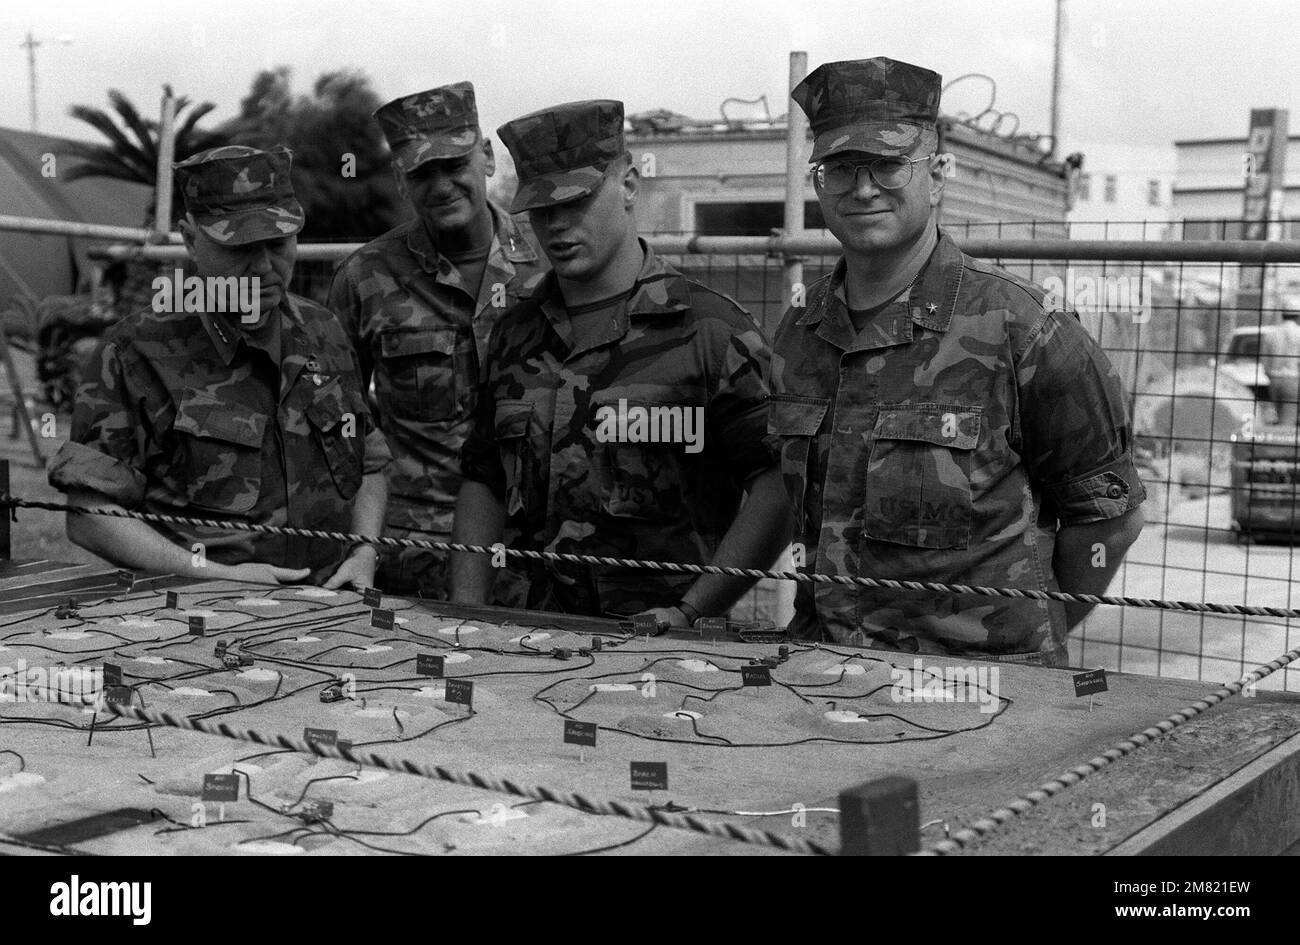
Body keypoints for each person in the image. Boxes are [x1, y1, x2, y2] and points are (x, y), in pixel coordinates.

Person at [770, 58, 1145, 664]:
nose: (863, 189)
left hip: (977, 695)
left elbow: (1109, 521)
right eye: (839, 168)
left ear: (938, 175)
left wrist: (1036, 631)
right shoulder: (801, 329)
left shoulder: (1023, 330)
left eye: (890, 164)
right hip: (821, 672)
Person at [451, 100, 791, 626]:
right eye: (542, 209)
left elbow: (776, 485)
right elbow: (484, 478)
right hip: (524, 638)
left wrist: (692, 611)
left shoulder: (710, 331)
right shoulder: (514, 333)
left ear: (629, 185)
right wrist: (466, 614)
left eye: (577, 201)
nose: (557, 226)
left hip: (662, 649)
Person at [49, 145, 390, 589]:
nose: (265, 267)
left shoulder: (323, 332)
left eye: (279, 243)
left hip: (329, 608)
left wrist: (365, 551)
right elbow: (89, 515)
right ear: (191, 240)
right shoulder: (137, 351)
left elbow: (370, 463)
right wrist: (216, 575)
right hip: (200, 615)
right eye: (242, 247)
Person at [328, 82, 547, 600]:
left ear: (487, 159)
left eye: (454, 165)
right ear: (402, 183)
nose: (441, 184)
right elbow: (342, 423)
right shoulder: (365, 278)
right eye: (421, 173)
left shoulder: (552, 261)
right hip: (415, 551)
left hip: (536, 546)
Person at [1261, 312, 1300, 426]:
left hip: (1274, 381)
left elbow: (1264, 360)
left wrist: (1270, 375)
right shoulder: (1298, 333)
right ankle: (1284, 442)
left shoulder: (1271, 334)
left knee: (1280, 415)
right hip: (1293, 379)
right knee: (1288, 420)